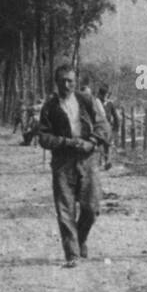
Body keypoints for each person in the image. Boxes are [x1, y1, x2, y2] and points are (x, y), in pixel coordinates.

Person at [38, 65, 111, 267]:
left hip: (87, 159)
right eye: (62, 81)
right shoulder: (50, 107)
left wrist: (93, 142)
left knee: (92, 207)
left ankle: (80, 239)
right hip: (63, 162)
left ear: (75, 81)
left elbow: (103, 126)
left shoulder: (87, 101)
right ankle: (72, 254)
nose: (67, 85)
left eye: (70, 80)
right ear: (56, 83)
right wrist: (65, 142)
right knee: (65, 209)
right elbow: (43, 137)